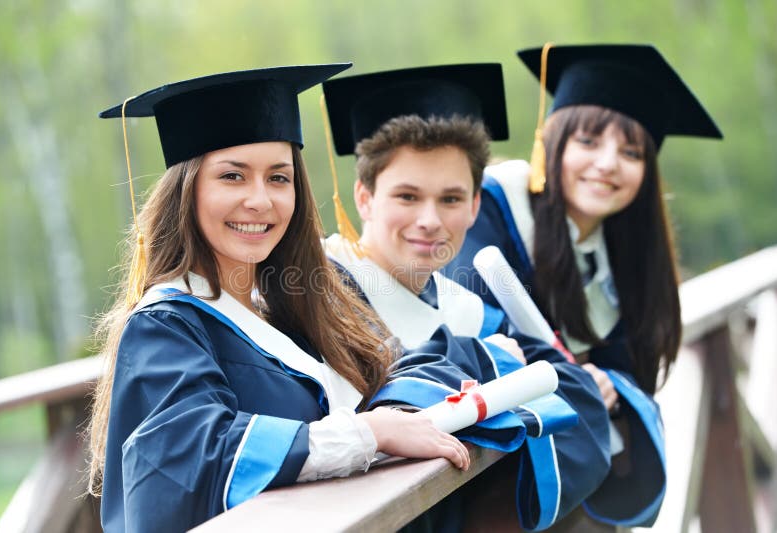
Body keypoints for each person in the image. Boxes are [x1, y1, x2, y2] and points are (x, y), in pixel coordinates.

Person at [86, 64, 529, 532]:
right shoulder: (167, 326)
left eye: (279, 178)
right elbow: (189, 459)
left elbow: (395, 367)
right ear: (186, 190)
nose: (260, 201)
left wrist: (444, 381)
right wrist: (369, 433)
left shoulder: (296, 308)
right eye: (233, 176)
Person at [444, 44, 723, 529]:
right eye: (589, 143)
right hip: (487, 483)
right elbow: (473, 328)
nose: (608, 163)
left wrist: (610, 387)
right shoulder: (491, 206)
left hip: (577, 481)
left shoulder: (631, 255)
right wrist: (575, 378)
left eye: (631, 152)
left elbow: (632, 370)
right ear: (552, 144)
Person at [321, 64, 610, 531]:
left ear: (476, 205)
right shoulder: (317, 299)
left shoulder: (472, 310)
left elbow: (570, 396)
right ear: (364, 197)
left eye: (451, 199)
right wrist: (491, 363)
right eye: (408, 196)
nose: (430, 220)